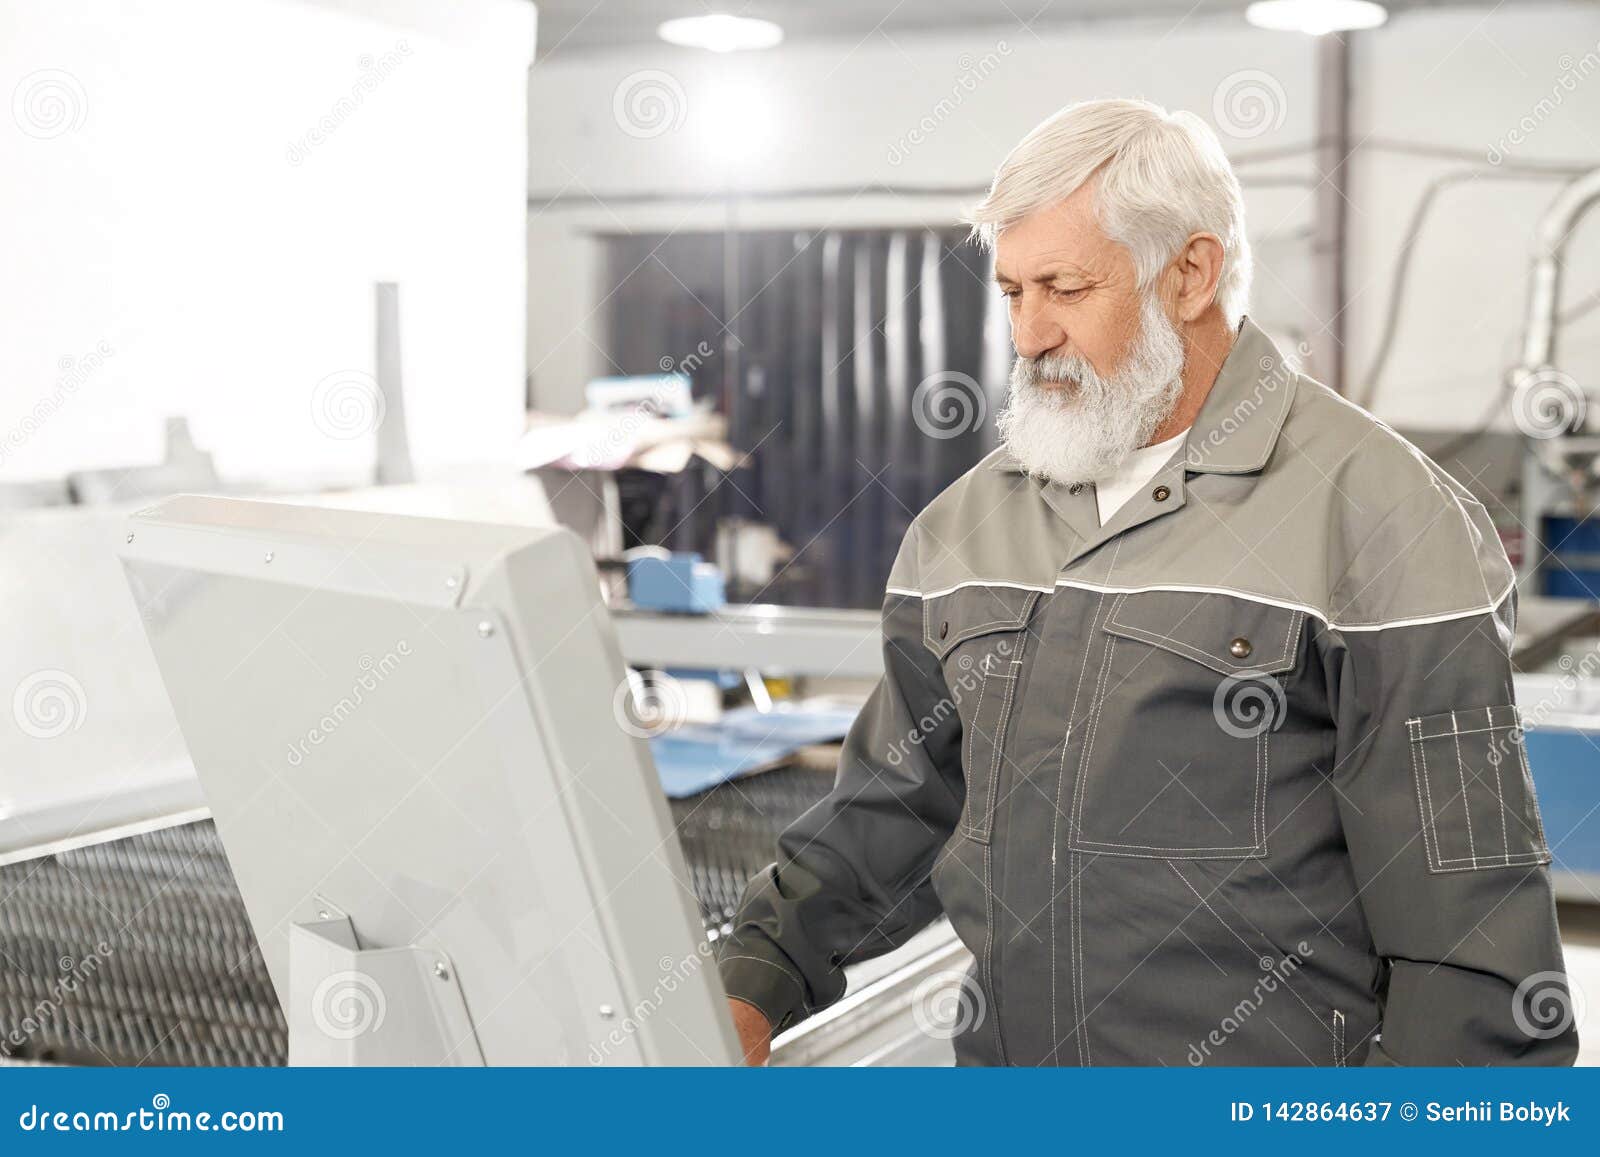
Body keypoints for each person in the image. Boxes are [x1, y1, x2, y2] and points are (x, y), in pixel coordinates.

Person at [718, 98, 1577, 1066]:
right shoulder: (965, 525)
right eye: (1010, 291)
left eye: (1065, 287)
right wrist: (756, 978)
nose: (1029, 332)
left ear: (1190, 274)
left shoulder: (1379, 514)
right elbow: (898, 804)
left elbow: (1462, 914)